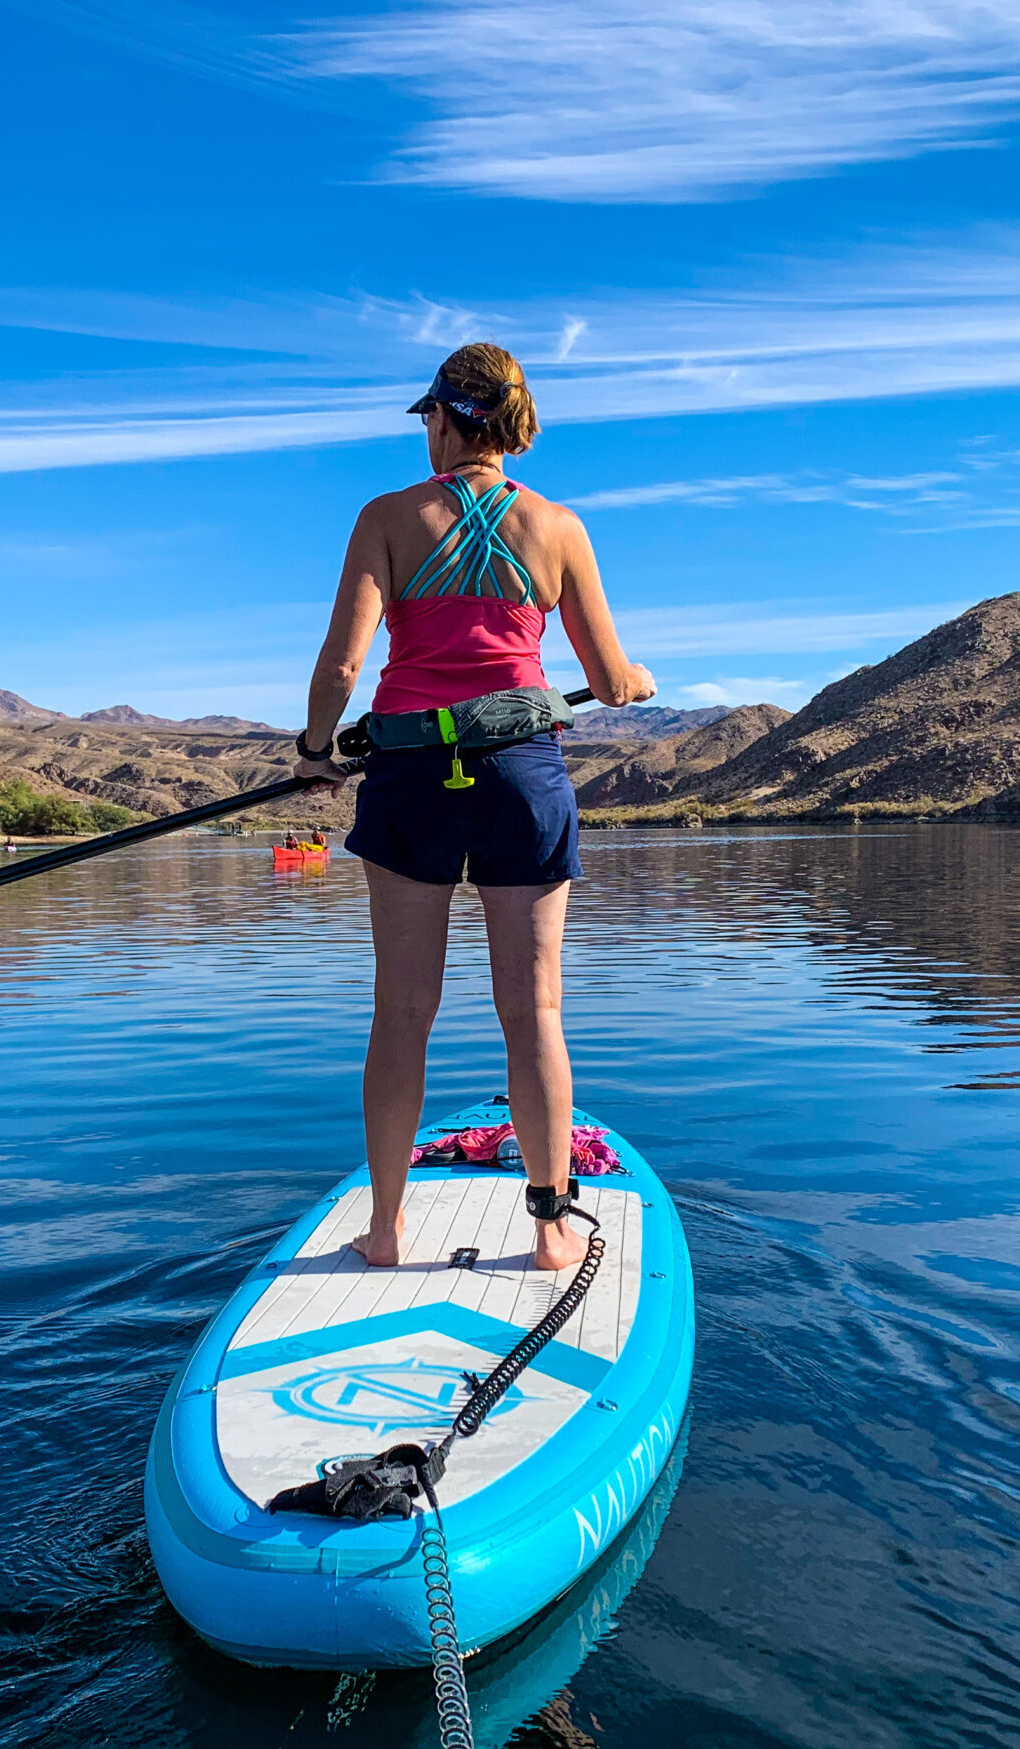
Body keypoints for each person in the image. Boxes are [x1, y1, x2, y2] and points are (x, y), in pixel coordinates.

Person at [294, 342, 654, 1272]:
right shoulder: (561, 528)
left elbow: (342, 666)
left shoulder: (384, 517)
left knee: (401, 1010)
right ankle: (547, 1229)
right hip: (521, 779)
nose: (426, 433)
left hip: (411, 780)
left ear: (450, 419)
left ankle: (383, 1229)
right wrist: (633, 680)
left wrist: (313, 753)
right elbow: (609, 678)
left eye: (428, 419)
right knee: (533, 1008)